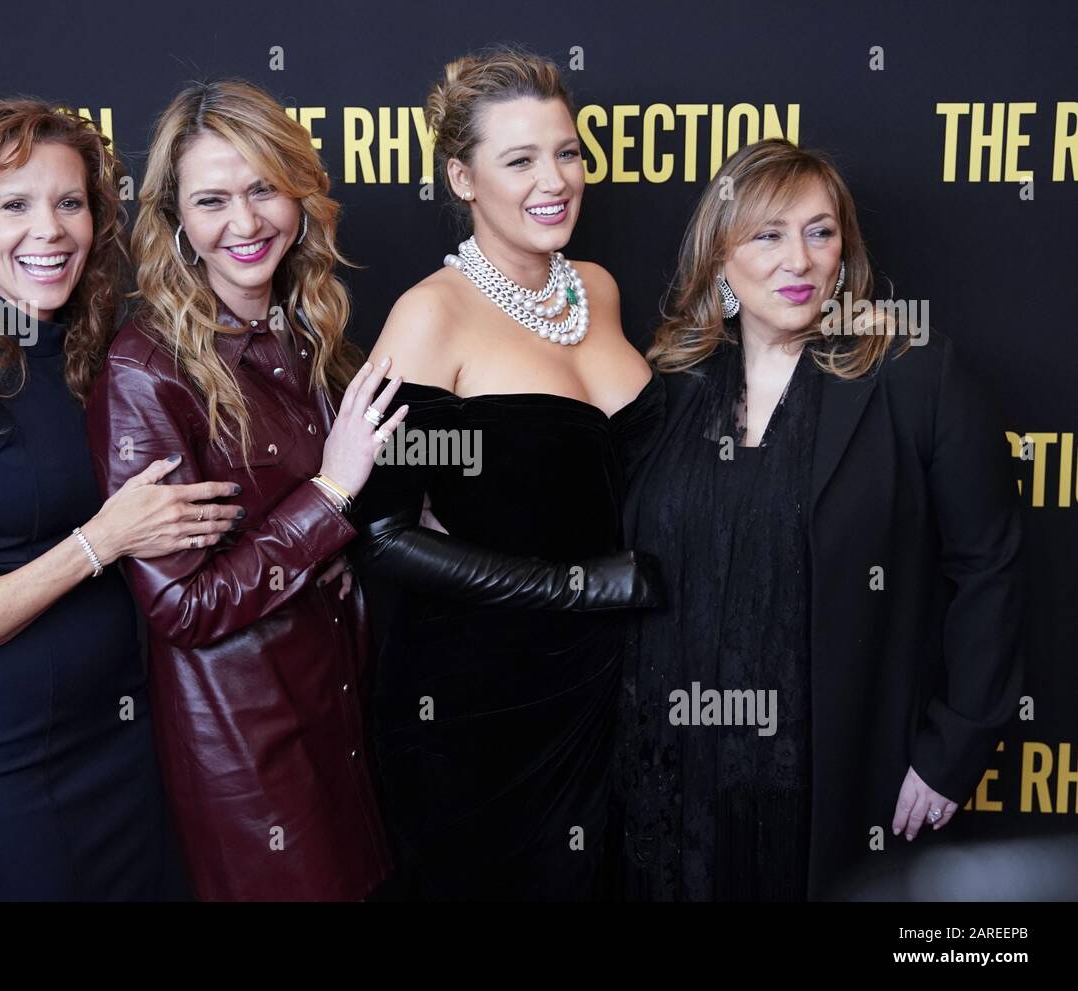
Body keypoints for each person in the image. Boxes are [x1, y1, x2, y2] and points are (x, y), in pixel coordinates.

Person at [614, 137, 1025, 900]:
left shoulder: (913, 373)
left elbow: (988, 566)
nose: (797, 260)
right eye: (767, 234)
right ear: (719, 256)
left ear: (845, 249)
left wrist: (953, 751)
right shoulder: (667, 383)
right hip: (676, 784)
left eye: (820, 231)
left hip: (838, 781)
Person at [0, 99, 241, 900]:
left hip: (129, 755)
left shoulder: (94, 355)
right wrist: (98, 542)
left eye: (70, 203)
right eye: (16, 205)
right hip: (11, 780)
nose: (51, 230)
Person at [353, 47, 664, 900]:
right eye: (519, 159)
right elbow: (377, 533)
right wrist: (575, 588)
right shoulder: (431, 317)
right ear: (462, 178)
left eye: (565, 151)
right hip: (476, 708)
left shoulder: (595, 288)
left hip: (612, 686)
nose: (553, 179)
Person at [87, 80, 405, 901]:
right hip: (248, 749)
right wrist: (330, 492)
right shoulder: (146, 370)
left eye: (264, 187)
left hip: (340, 713)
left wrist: (353, 524)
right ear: (177, 219)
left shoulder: (307, 325)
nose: (246, 221)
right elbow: (184, 608)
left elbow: (327, 522)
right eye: (213, 199)